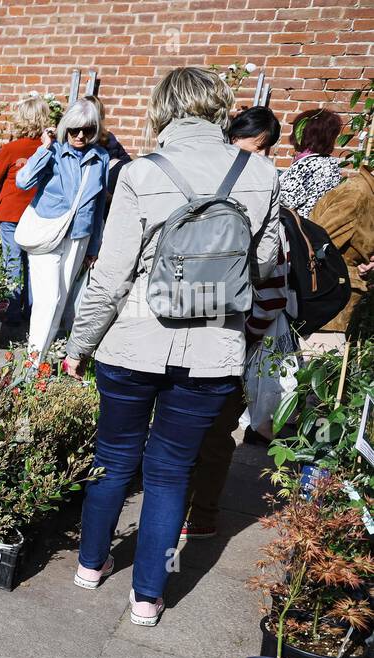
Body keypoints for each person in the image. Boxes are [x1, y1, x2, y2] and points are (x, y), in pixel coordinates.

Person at [64, 67, 282, 626]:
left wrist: (79, 344)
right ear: (221, 110)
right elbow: (263, 263)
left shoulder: (141, 171)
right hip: (212, 350)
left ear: (165, 109)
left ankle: (90, 565)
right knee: (171, 472)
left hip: (134, 341)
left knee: (112, 461)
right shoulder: (259, 172)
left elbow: (110, 277)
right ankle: (147, 595)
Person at [184, 106, 287, 541]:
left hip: (209, 332)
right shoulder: (252, 189)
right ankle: (192, 508)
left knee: (203, 432)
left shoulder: (252, 187)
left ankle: (198, 511)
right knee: (205, 430)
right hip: (216, 333)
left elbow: (271, 285)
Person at [15, 96, 109, 358]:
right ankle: (33, 364)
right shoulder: (53, 152)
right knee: (48, 299)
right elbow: (23, 182)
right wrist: (43, 149)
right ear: (65, 127)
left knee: (60, 301)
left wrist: (94, 246)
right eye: (74, 129)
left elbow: (99, 204)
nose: (80, 135)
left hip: (79, 236)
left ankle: (41, 360)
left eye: (88, 130)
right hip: (47, 233)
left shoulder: (99, 158)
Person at [0, 94, 51, 330]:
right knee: (34, 265)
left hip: (12, 215)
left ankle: (11, 314)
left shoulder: (11, 148)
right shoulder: (49, 150)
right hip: (38, 216)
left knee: (11, 263)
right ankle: (33, 313)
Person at [309, 152, 374, 345]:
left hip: (342, 306)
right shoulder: (357, 194)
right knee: (322, 367)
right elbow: (316, 245)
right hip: (328, 310)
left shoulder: (366, 193)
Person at [279, 108, 344, 218]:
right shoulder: (332, 163)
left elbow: (285, 201)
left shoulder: (306, 165)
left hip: (296, 229)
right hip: (316, 229)